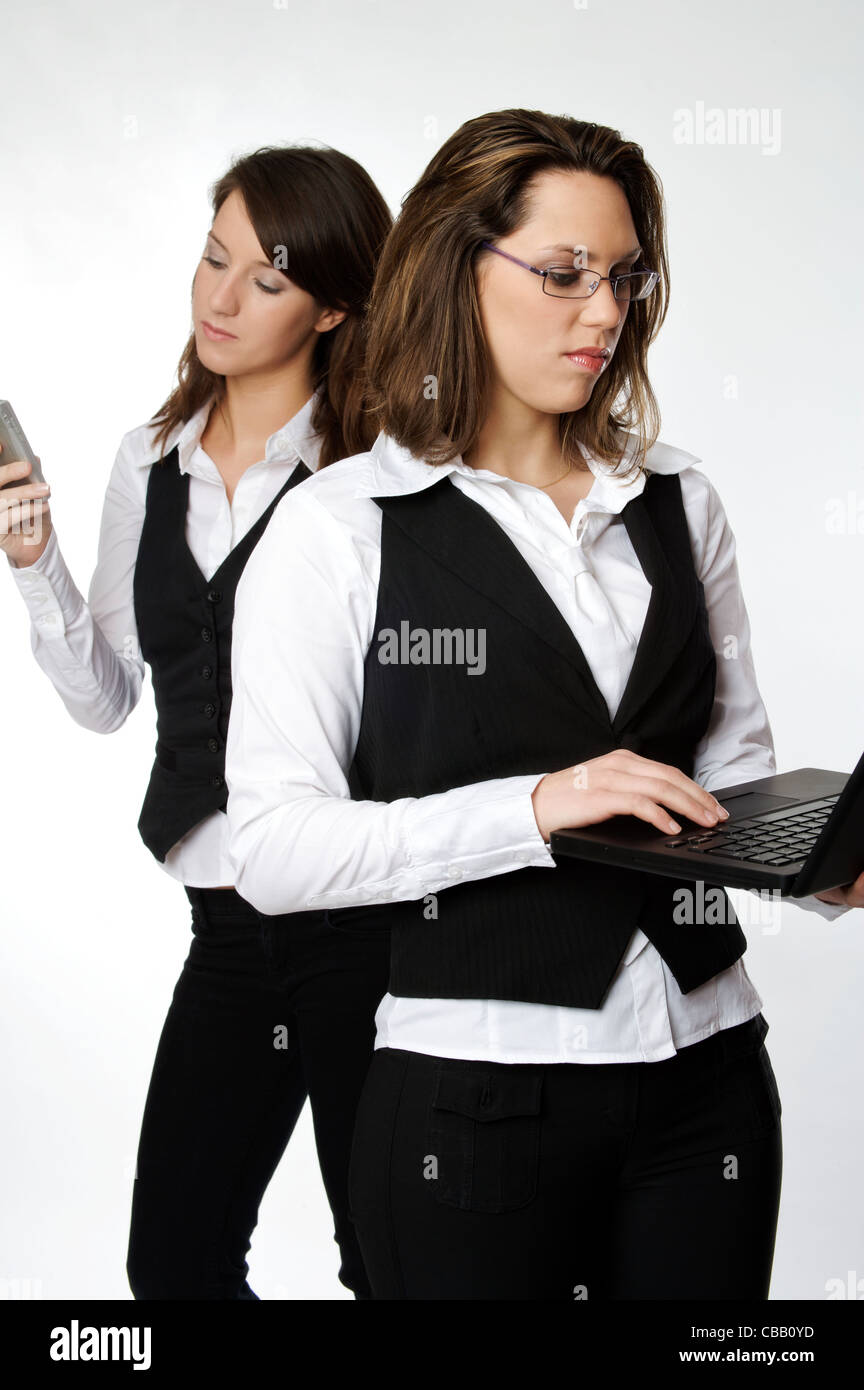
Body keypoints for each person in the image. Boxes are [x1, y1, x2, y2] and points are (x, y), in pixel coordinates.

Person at [223, 110, 862, 1301]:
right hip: (473, 1103)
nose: (606, 313)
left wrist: (821, 866)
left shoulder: (681, 503)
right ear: (457, 268)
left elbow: (728, 775)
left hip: (709, 1081)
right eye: (564, 274)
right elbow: (269, 846)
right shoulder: (339, 527)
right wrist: (535, 807)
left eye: (625, 278)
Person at [1, 145, 393, 1299]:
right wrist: (34, 565)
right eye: (210, 259)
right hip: (226, 930)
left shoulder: (374, 477)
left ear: (332, 306)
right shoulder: (149, 462)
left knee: (388, 1260)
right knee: (171, 1264)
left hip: (363, 925)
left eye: (263, 280)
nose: (219, 300)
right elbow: (112, 697)